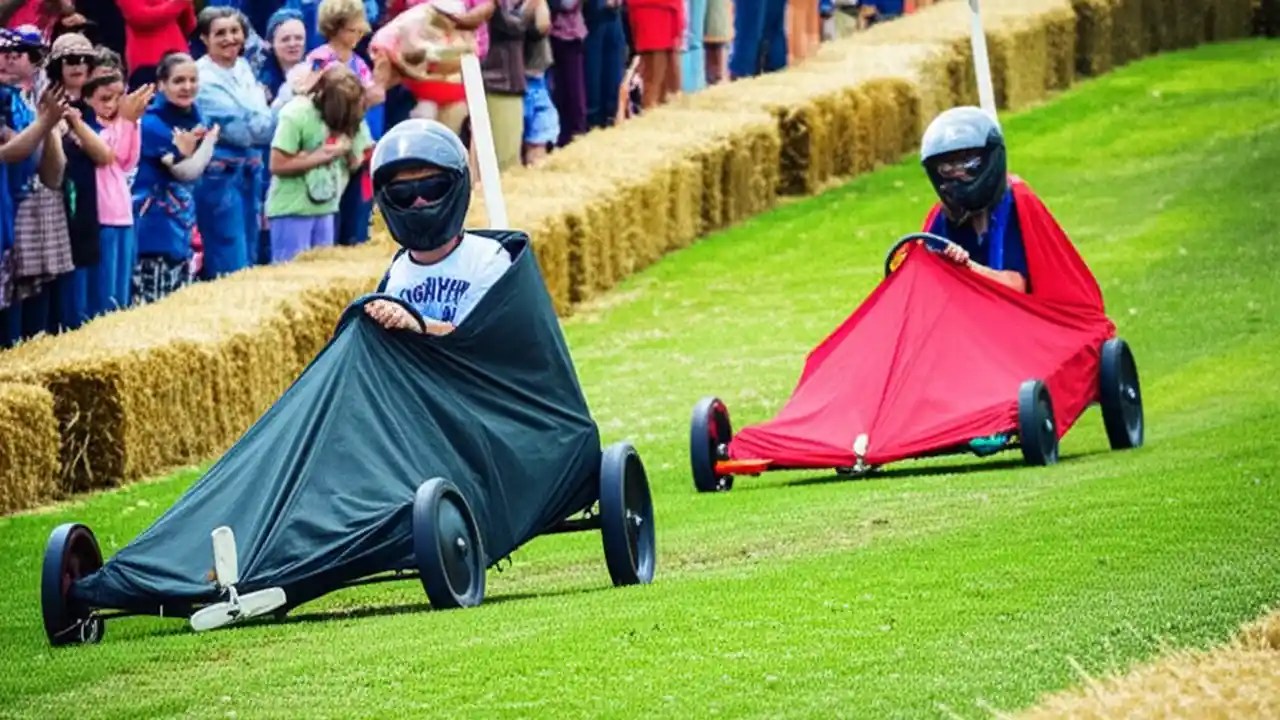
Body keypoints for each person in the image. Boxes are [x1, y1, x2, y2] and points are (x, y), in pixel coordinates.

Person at [365, 118, 511, 335]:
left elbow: (483, 342)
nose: (419, 201)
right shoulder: (395, 275)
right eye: (402, 193)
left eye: (433, 188)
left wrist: (418, 324)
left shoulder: (489, 260)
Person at [192, 6, 274, 280]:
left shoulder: (243, 67)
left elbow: (259, 124)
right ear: (205, 38)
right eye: (220, 33)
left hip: (251, 171)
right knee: (231, 257)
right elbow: (245, 132)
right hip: (219, 177)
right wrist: (262, 111)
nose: (229, 38)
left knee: (250, 255)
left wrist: (258, 116)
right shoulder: (201, 77)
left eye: (234, 31)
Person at [132, 52, 218, 305]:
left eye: (193, 80)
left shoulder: (197, 116)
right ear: (161, 85)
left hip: (181, 226)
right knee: (154, 302)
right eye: (179, 81)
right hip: (153, 226)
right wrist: (206, 145)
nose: (187, 87)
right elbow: (185, 170)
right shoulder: (151, 123)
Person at [265, 63, 371, 263]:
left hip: (328, 208)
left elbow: (356, 163)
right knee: (291, 275)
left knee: (321, 274)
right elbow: (277, 164)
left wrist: (346, 150)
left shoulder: (351, 110)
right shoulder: (296, 113)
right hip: (292, 209)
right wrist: (321, 156)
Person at [919, 106, 1029, 294]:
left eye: (967, 162)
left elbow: (1017, 285)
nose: (957, 172)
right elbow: (924, 279)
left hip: (1015, 316)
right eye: (947, 166)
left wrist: (966, 267)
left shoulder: (1014, 205)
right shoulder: (943, 216)